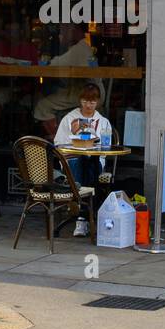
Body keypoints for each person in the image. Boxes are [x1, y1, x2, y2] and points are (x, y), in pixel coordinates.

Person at [53, 84, 114, 237]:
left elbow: (106, 148)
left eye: (92, 102)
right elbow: (58, 144)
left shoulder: (103, 122)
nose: (89, 105)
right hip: (71, 161)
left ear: (98, 102)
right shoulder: (70, 119)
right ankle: (84, 215)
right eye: (86, 101)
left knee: (89, 161)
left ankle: (80, 215)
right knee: (81, 161)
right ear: (80, 100)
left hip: (94, 163)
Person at [33, 23, 99, 136]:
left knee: (42, 105)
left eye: (65, 30)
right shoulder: (81, 47)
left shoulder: (79, 48)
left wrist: (44, 62)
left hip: (86, 93)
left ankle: (60, 142)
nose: (62, 34)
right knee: (46, 95)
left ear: (75, 30)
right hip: (88, 91)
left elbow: (55, 64)